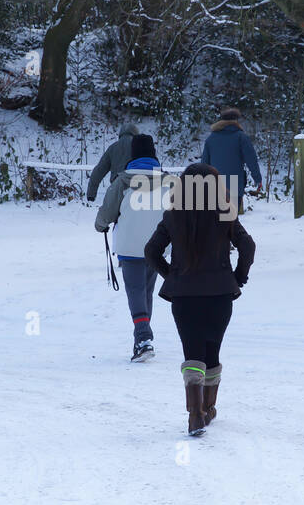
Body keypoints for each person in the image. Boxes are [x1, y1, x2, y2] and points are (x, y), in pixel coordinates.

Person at [144, 162, 256, 436]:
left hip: (185, 296)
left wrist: (172, 274)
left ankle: (195, 414)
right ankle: (208, 408)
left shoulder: (173, 215)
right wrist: (238, 277)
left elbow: (151, 250)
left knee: (192, 351)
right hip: (220, 294)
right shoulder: (225, 212)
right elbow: (248, 246)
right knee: (212, 350)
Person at [95, 134, 170, 361]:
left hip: (129, 246)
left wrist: (100, 226)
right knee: (146, 291)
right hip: (158, 246)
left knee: (136, 291)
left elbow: (107, 212)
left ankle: (143, 337)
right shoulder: (169, 181)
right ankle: (143, 337)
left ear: (133, 155)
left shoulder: (123, 180)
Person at [201, 107, 262, 213]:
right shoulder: (241, 137)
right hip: (234, 183)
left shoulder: (211, 139)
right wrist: (257, 179)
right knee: (230, 220)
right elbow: (251, 160)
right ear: (235, 121)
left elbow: (204, 164)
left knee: (216, 220)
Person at [86, 122, 139, 202]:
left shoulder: (113, 148)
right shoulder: (140, 147)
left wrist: (91, 194)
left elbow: (99, 171)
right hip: (136, 187)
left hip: (117, 188)